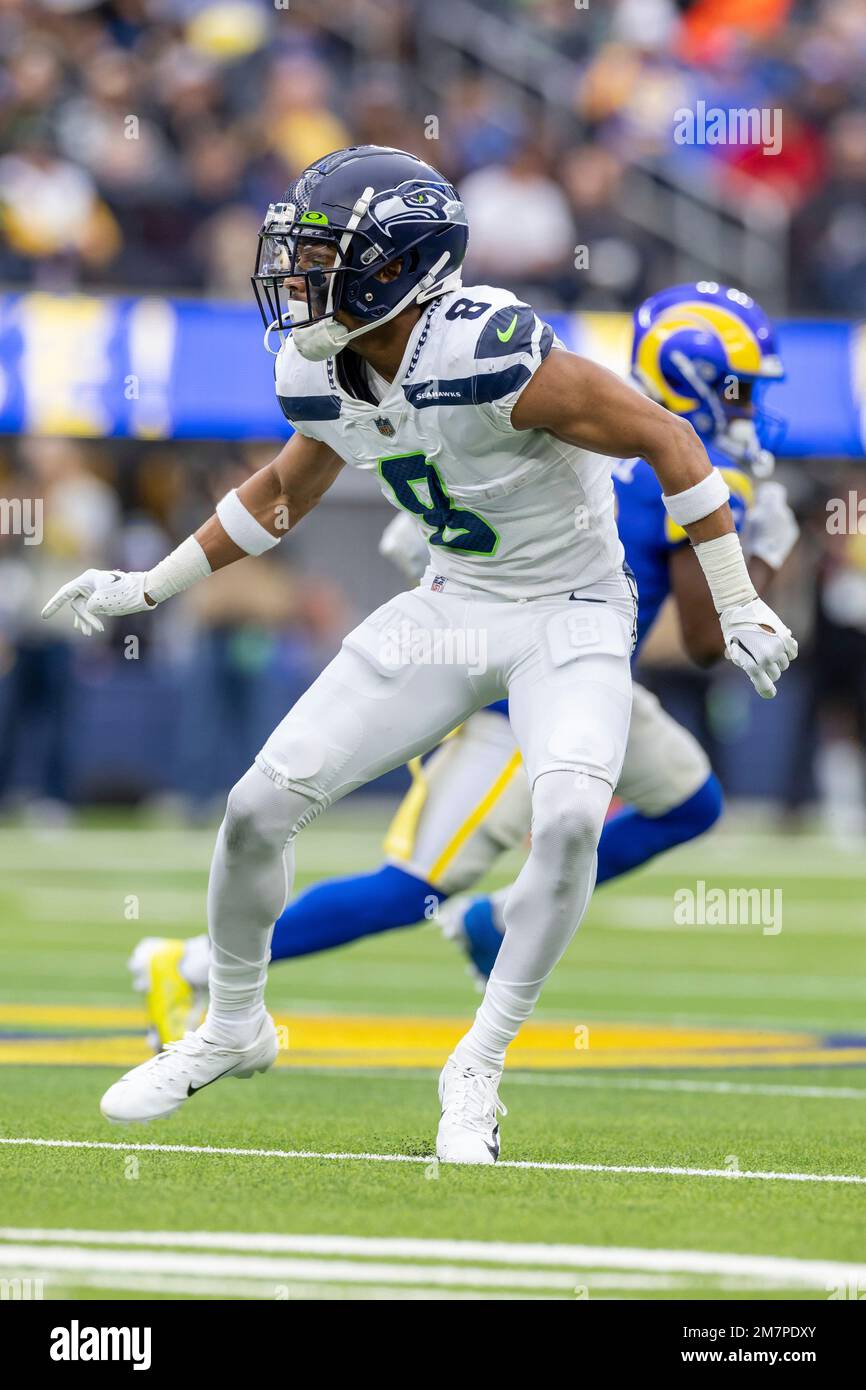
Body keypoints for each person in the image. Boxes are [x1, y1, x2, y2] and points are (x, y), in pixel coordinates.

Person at [42, 147, 797, 1165]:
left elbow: (669, 440)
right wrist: (146, 585)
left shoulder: (489, 346)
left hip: (571, 611)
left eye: (322, 255)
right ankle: (231, 1024)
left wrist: (739, 598)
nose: (299, 276)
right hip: (451, 604)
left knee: (571, 818)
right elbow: (279, 493)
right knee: (255, 806)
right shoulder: (321, 362)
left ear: (395, 268)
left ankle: (476, 1065)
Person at [130, 282, 799, 1019]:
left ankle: (500, 917)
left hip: (589, 665)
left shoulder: (583, 420)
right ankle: (190, 963)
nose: (748, 408)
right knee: (414, 884)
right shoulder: (672, 461)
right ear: (692, 379)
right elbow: (708, 643)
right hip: (522, 687)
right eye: (739, 390)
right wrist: (764, 553)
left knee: (689, 801)